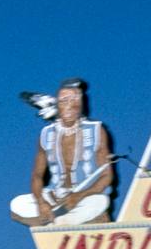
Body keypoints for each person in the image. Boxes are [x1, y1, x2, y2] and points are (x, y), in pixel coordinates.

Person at [10, 78, 114, 226]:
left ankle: (58, 220)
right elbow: (37, 176)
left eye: (74, 100)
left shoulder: (96, 130)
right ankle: (58, 217)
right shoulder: (46, 134)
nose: (70, 105)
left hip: (85, 197)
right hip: (55, 197)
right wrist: (41, 202)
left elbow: (106, 176)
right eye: (64, 101)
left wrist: (78, 196)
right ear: (58, 104)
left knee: (100, 201)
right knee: (18, 204)